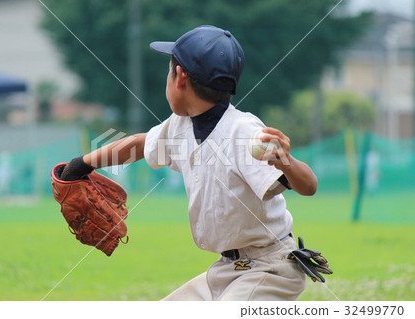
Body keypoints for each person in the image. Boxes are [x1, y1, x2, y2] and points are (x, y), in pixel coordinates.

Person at [59, 25, 318, 301]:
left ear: (180, 76)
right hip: (227, 270)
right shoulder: (180, 126)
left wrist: (287, 163)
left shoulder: (242, 132)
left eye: (169, 70)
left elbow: (308, 185)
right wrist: (82, 164)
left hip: (270, 268)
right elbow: (137, 145)